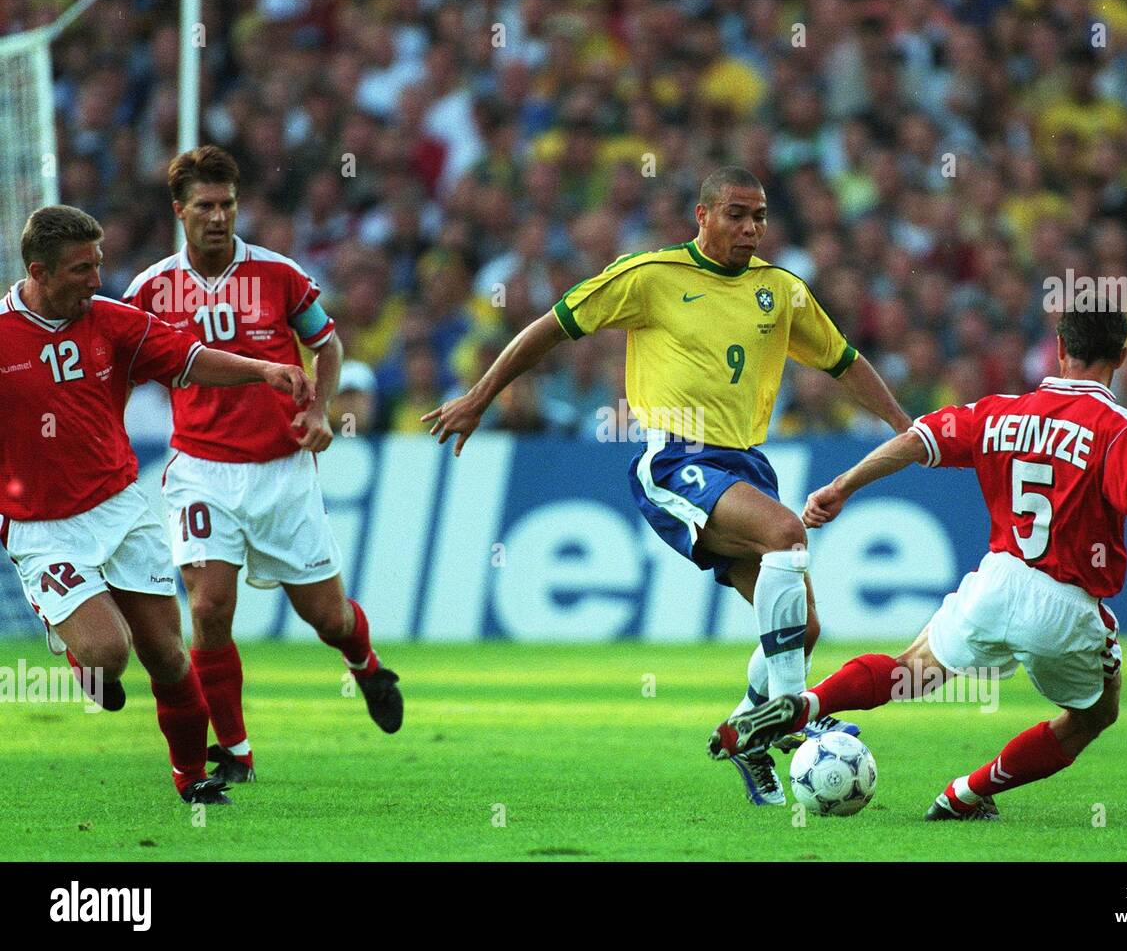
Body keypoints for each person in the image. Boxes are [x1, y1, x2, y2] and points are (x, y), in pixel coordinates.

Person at [426, 166, 912, 806]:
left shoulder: (782, 291)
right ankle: (800, 719)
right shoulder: (649, 277)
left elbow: (844, 362)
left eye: (760, 216)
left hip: (746, 463)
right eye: (736, 214)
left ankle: (747, 731)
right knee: (786, 534)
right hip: (674, 456)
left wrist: (909, 430)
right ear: (702, 215)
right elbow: (550, 326)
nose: (750, 228)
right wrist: (481, 397)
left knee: (805, 628)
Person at [709, 304, 1127, 820]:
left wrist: (843, 484)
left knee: (908, 671)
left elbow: (916, 440)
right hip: (1064, 603)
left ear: (1059, 348)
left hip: (995, 582)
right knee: (1094, 716)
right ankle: (966, 794)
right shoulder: (1120, 428)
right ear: (1123, 356)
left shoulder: (1001, 412)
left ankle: (804, 704)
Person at [0, 205, 314, 803]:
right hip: (42, 529)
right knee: (106, 657)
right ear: (37, 272)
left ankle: (193, 778)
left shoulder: (114, 321)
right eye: (79, 270)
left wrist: (261, 371)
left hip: (121, 507)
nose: (96, 281)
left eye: (97, 266)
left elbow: (190, 360)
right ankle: (73, 649)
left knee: (168, 653)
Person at [123, 146, 403, 786]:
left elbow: (325, 344)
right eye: (204, 207)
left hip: (281, 471)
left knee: (327, 619)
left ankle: (365, 663)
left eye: (227, 205)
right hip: (198, 469)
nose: (218, 217)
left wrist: (320, 411)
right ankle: (237, 752)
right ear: (180, 211)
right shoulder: (150, 290)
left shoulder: (278, 275)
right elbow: (122, 363)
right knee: (210, 609)